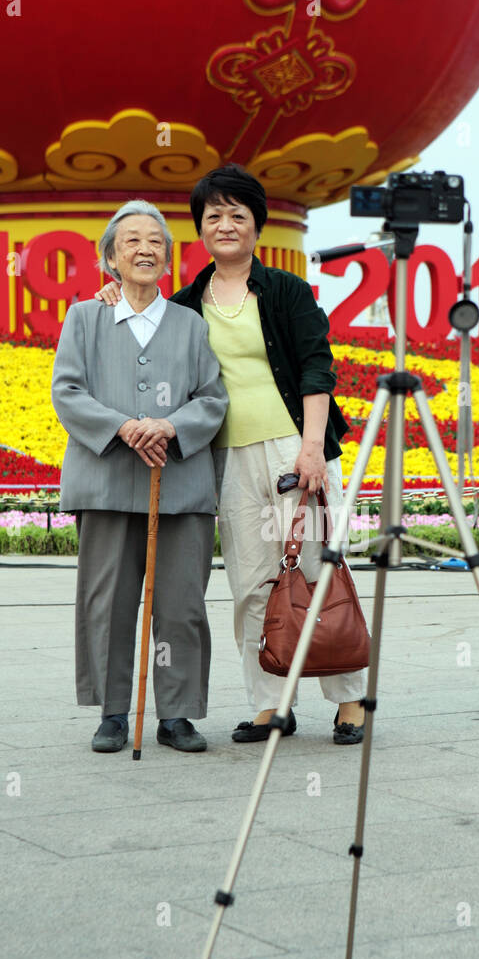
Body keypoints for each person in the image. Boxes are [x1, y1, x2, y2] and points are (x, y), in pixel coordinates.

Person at [97, 165, 367, 744]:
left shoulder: (287, 290)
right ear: (200, 229)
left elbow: (318, 368)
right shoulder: (187, 301)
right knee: (252, 581)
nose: (225, 225)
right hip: (226, 459)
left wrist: (314, 450)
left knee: (318, 569)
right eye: (213, 215)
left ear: (256, 227)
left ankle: (348, 701)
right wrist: (112, 290)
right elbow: (141, 321)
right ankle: (272, 703)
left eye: (237, 215)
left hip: (297, 450)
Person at [52, 199, 228, 753]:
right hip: (104, 482)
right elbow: (68, 391)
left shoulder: (190, 325)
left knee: (180, 602)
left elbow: (213, 398)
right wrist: (126, 427)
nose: (145, 248)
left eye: (156, 241)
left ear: (169, 258)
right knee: (106, 601)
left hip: (179, 486)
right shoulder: (85, 317)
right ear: (111, 256)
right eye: (131, 240)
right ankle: (111, 712)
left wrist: (171, 427)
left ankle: (176, 714)